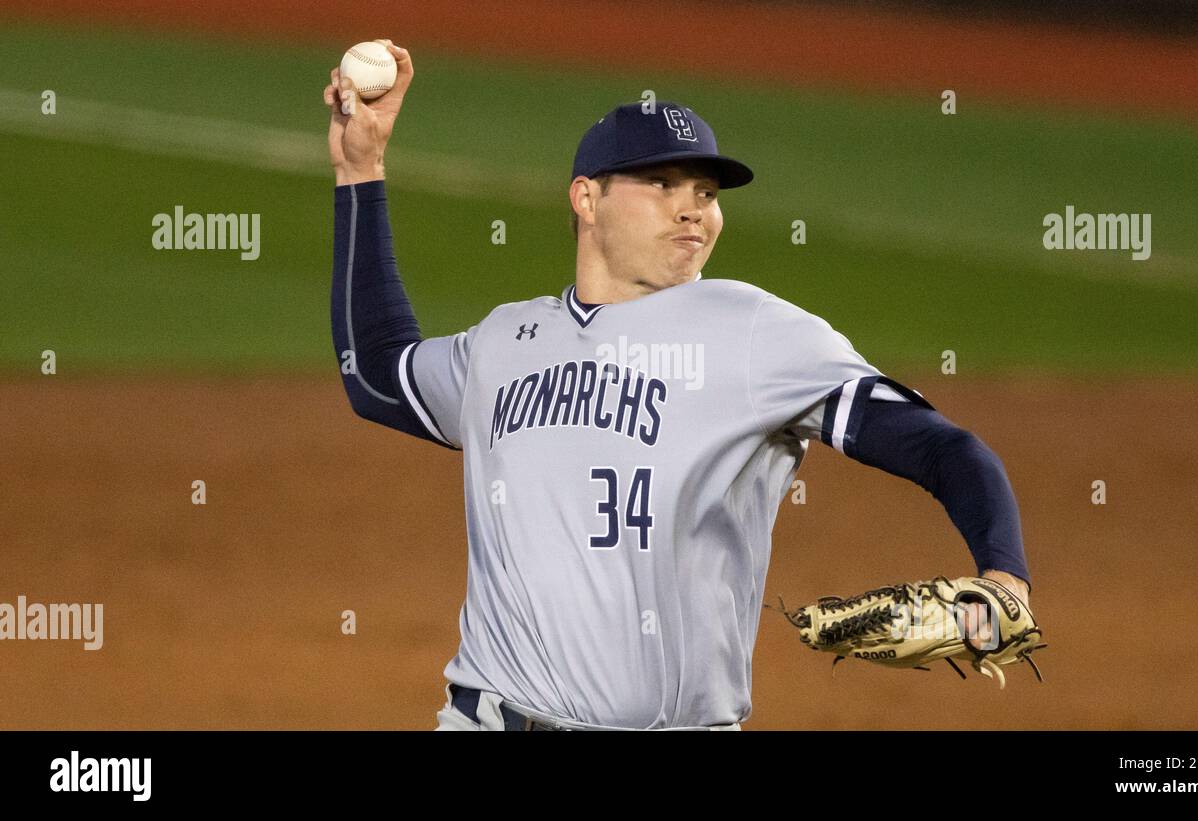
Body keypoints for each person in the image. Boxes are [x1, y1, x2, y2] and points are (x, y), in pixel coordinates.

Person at [323, 41, 1032, 731]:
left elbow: (946, 450)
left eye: (706, 191)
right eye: (661, 184)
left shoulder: (756, 332)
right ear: (587, 199)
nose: (693, 208)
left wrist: (1004, 577)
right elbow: (378, 375)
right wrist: (361, 167)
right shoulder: (506, 341)